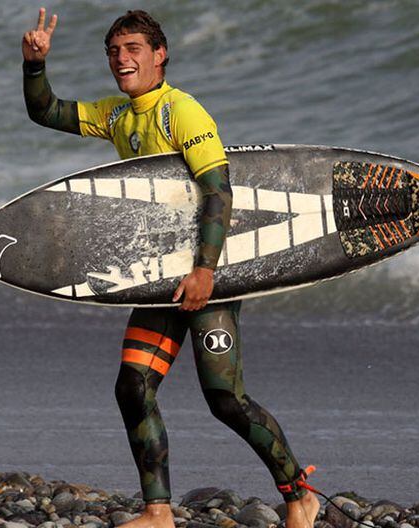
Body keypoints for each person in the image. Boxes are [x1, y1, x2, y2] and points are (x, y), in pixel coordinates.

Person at [21, 8, 320, 528]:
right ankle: (158, 511)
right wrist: (33, 63)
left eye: (133, 48)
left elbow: (218, 191)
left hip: (211, 278)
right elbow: (47, 111)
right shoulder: (118, 116)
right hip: (159, 276)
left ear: (159, 55)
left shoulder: (181, 112)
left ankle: (300, 495)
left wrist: (205, 271)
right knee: (133, 387)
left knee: (225, 400)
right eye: (114, 51)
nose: (121, 59)